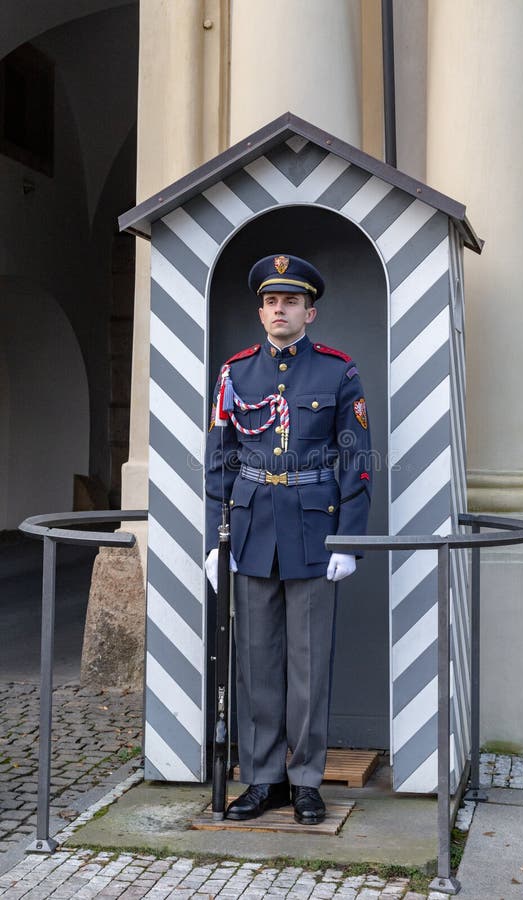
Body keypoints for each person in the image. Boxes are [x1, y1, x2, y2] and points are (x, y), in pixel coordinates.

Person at [204, 253, 371, 825]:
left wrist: (349, 541)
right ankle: (262, 779)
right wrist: (213, 542)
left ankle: (305, 781)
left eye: (291, 301)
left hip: (313, 533)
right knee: (257, 662)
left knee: (307, 664)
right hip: (252, 533)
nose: (280, 309)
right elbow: (219, 465)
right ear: (261, 310)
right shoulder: (236, 373)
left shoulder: (338, 372)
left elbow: (357, 463)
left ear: (310, 311)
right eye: (271, 301)